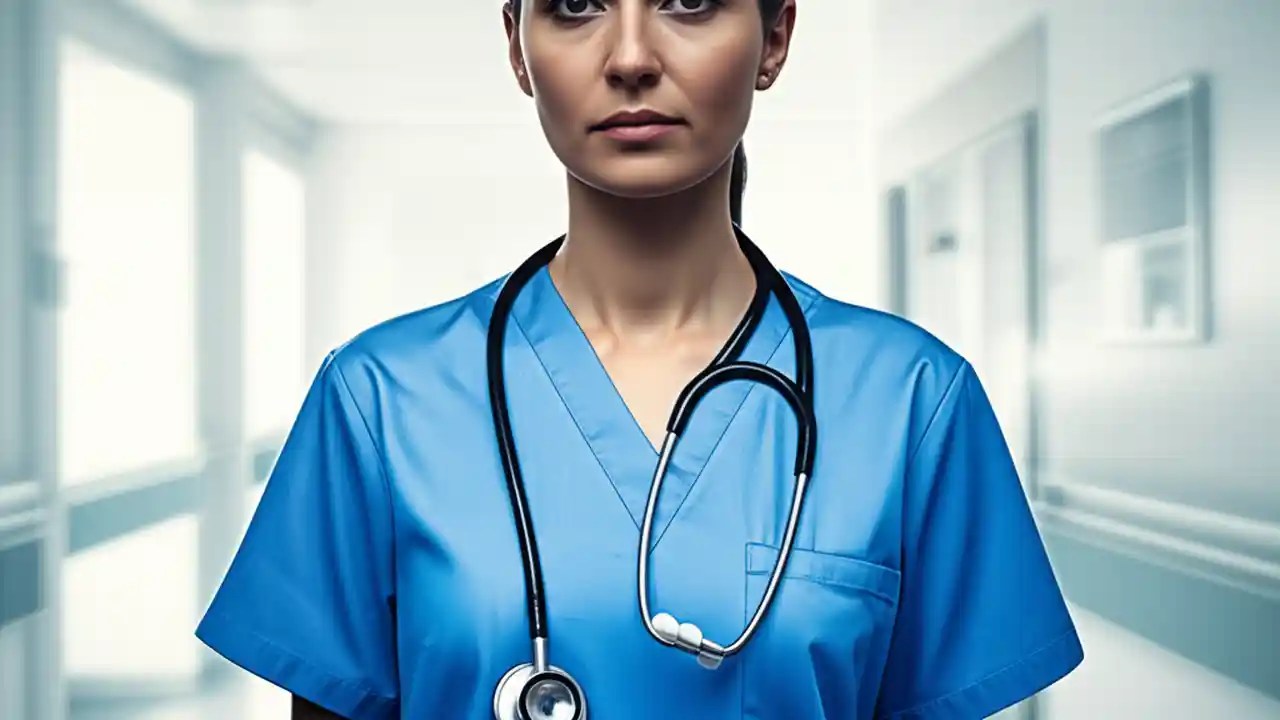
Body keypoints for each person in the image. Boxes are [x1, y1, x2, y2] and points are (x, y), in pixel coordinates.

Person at [195, 1, 1085, 718]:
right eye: (576, 5)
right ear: (516, 46)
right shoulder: (379, 399)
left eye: (688, 2)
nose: (629, 56)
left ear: (775, 37)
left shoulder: (912, 401)